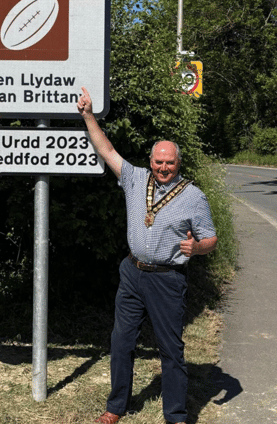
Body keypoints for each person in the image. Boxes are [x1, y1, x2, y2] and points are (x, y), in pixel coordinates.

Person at [77, 87, 218, 424]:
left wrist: (197, 248)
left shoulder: (194, 197)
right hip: (132, 273)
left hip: (167, 279)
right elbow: (107, 149)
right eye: (158, 161)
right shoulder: (136, 178)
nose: (163, 167)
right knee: (121, 342)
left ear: (178, 163)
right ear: (151, 160)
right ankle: (115, 407)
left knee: (170, 349)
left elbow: (211, 239)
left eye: (169, 162)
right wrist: (88, 115)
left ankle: (176, 415)